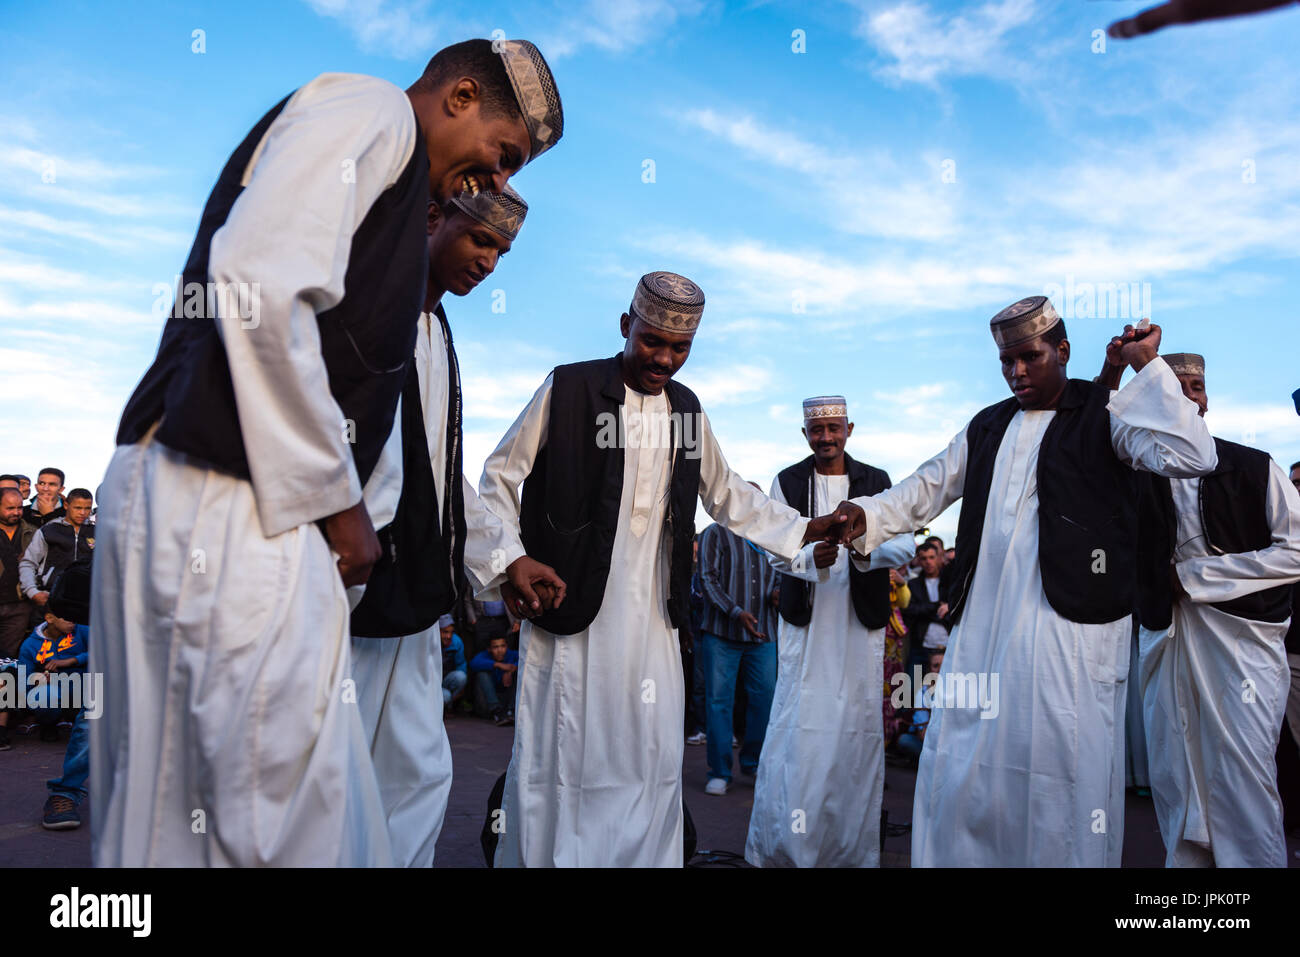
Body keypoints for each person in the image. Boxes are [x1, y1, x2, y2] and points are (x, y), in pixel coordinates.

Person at [89, 36, 564, 867]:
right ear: (458, 97)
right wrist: (339, 502)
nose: (498, 184)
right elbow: (261, 280)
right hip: (229, 498)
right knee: (250, 823)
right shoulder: (372, 110)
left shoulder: (402, 245)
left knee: (197, 822)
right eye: (503, 154)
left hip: (253, 508)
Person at [476, 271, 862, 867]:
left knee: (648, 756)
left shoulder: (686, 409)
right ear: (626, 326)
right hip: (573, 607)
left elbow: (727, 493)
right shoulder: (570, 388)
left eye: (679, 348)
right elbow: (500, 475)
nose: (664, 358)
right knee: (565, 749)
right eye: (652, 341)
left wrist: (800, 529)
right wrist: (513, 560)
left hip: (656, 618)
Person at [843, 298, 1217, 867]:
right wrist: (864, 516)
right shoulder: (989, 424)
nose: (1017, 371)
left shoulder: (1108, 413)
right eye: (1006, 361)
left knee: (1059, 776)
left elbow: (1192, 453)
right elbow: (924, 489)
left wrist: (1147, 366)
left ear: (1062, 352)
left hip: (1069, 633)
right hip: (983, 628)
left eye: (1029, 357)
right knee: (967, 770)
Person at [348, 183, 563, 868]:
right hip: (343, 599)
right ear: (434, 217)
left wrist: (507, 557)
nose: (489, 262)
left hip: (413, 605)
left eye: (500, 251)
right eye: (481, 240)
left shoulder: (437, 330)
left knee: (415, 773)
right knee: (326, 772)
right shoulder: (359, 308)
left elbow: (442, 477)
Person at [1124, 352, 1300, 866]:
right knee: (1175, 779)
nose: (1189, 398)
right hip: (1167, 642)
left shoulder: (1253, 466)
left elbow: (1294, 551)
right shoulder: (1134, 477)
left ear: (1207, 399)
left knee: (1241, 775)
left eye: (1196, 387)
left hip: (1242, 646)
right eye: (1175, 389)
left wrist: (1195, 578)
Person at [746, 396, 915, 868]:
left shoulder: (876, 481)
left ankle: (850, 852)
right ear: (805, 434)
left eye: (834, 429)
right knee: (797, 727)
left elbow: (903, 543)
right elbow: (769, 543)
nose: (826, 438)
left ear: (849, 429)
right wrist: (804, 559)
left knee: (855, 730)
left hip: (858, 622)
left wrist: (862, 550)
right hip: (806, 619)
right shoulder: (788, 481)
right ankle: (787, 847)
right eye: (817, 431)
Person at [696, 511, 780, 795]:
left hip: (765, 634)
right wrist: (735, 612)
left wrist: (779, 593)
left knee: (765, 700)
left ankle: (753, 762)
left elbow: (783, 575)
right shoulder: (715, 532)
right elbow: (707, 579)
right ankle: (719, 772)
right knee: (719, 702)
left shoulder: (772, 537)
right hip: (723, 634)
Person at [17, 609, 89, 742]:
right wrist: (38, 680)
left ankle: (81, 722)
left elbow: (104, 650)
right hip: (54, 689)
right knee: (46, 694)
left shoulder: (82, 631)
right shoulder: (30, 645)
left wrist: (72, 660)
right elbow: (23, 682)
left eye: (74, 619)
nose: (72, 623)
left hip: (81, 684)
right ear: (50, 618)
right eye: (67, 619)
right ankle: (49, 725)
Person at [19, 488, 93, 611]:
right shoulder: (49, 530)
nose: (83, 513)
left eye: (87, 508)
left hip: (86, 600)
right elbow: (28, 563)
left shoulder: (97, 532)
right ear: (66, 505)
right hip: (50, 597)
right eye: (78, 508)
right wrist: (32, 592)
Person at [0, 488, 39, 659]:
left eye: (19, 507)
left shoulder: (33, 532)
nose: (16, 512)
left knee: (8, 657)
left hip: (19, 605)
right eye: (10, 508)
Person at [905, 541, 951, 670]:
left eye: (931, 557)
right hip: (921, 647)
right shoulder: (913, 584)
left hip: (948, 645)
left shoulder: (950, 582)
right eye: (924, 558)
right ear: (919, 560)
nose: (928, 562)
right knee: (912, 687)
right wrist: (936, 607)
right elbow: (910, 610)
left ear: (939, 558)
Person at [896, 648, 945, 761]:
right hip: (932, 745)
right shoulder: (923, 693)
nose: (940, 670)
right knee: (905, 740)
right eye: (935, 666)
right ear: (929, 669)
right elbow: (923, 734)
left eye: (944, 665)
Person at [470, 634, 519, 725]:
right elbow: (473, 663)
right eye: (495, 647)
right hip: (488, 705)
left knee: (520, 672)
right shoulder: (484, 655)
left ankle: (511, 712)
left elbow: (525, 660)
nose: (500, 650)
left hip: (507, 702)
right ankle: (497, 712)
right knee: (482, 674)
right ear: (489, 649)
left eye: (503, 646)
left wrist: (511, 670)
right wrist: (498, 665)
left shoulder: (512, 655)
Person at [439, 614, 469, 712]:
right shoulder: (431, 642)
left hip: (445, 680)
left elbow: (461, 664)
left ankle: (448, 706)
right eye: (445, 632)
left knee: (461, 677)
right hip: (430, 682)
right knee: (445, 696)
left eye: (451, 632)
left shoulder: (456, 642)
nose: (448, 636)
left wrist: (461, 688)